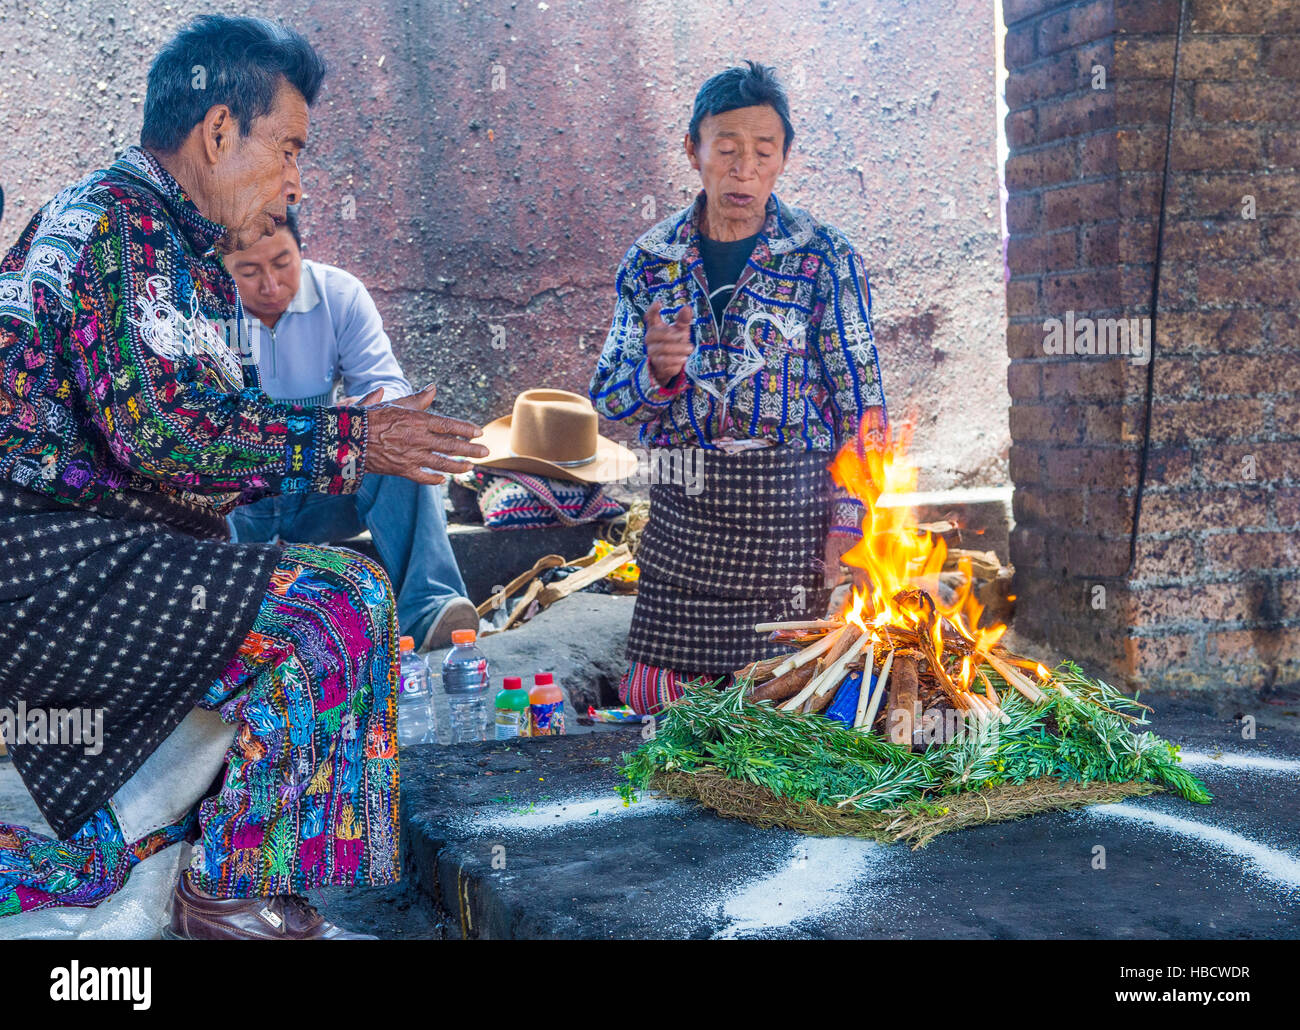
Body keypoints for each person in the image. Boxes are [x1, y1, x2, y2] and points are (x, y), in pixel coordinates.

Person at [0, 15, 487, 939]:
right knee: (334, 603)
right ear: (219, 131)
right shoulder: (115, 221)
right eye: (289, 146)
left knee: (106, 859)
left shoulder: (184, 254)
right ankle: (230, 892)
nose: (295, 179)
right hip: (42, 566)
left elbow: (205, 451)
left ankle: (174, 867)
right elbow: (161, 431)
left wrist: (335, 450)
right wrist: (354, 443)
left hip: (102, 561)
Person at [589, 61, 888, 715]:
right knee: (659, 702)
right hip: (688, 516)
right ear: (693, 151)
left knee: (786, 703)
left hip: (790, 517)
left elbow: (862, 403)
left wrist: (847, 519)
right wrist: (657, 375)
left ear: (784, 158)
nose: (743, 168)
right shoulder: (651, 261)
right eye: (725, 150)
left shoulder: (822, 257)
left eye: (762, 151)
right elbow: (608, 397)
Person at [226, 210, 479, 650]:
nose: (270, 285)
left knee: (400, 440)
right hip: (235, 496)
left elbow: (389, 389)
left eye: (283, 264)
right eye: (249, 272)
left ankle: (430, 607)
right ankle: (222, 624)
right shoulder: (200, 312)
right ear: (222, 267)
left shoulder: (339, 294)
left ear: (302, 252)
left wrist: (361, 413)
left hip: (317, 490)